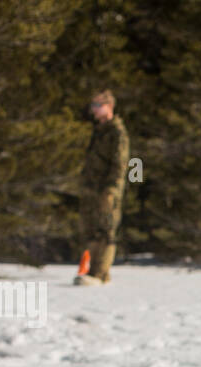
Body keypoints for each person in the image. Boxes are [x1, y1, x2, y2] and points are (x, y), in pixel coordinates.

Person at [75, 90, 130, 286]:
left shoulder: (117, 132)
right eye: (93, 106)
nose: (94, 110)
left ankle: (100, 273)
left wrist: (112, 190)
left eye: (98, 106)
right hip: (92, 188)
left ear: (109, 106)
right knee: (90, 229)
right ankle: (90, 270)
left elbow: (120, 164)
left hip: (106, 190)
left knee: (105, 230)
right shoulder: (99, 130)